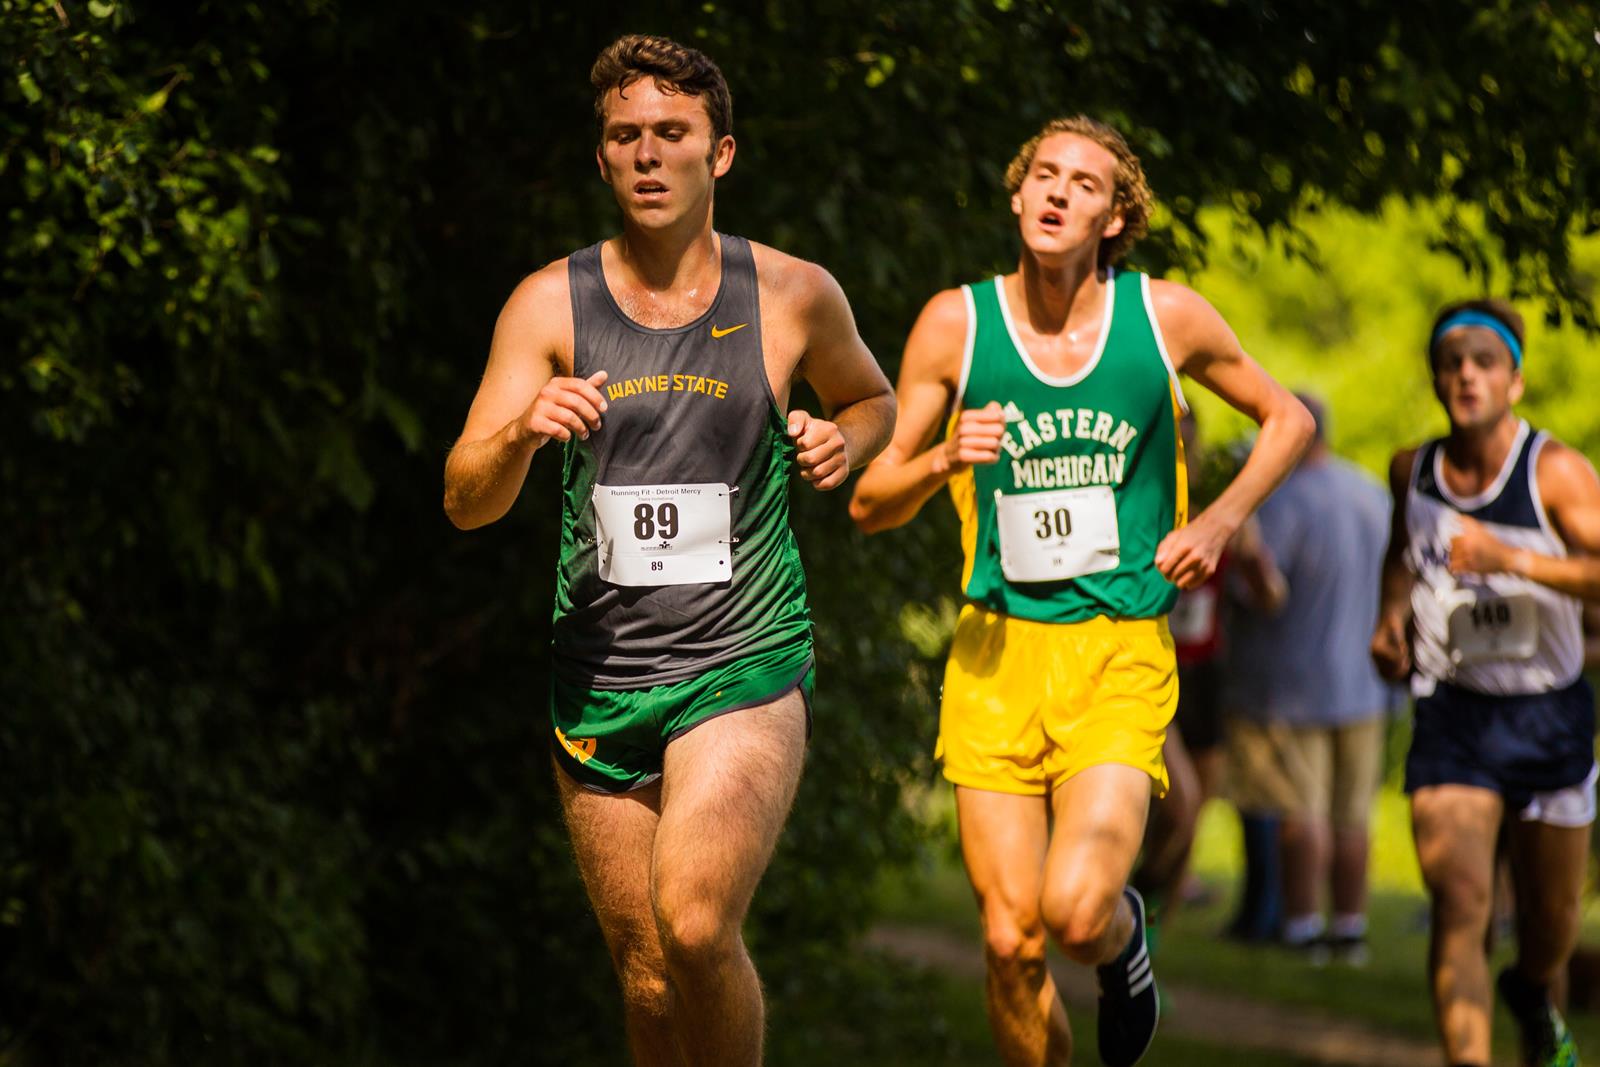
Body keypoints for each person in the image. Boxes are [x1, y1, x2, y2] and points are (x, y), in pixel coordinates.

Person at [442, 35, 895, 1066]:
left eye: (671, 135)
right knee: (647, 982)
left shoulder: (790, 294)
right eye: (624, 136)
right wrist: (519, 433)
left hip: (742, 661)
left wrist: (845, 438)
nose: (647, 155)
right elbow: (465, 501)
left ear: (719, 154)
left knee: (694, 922)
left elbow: (871, 399)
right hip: (598, 677)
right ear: (601, 159)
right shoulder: (546, 303)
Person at [849, 115, 1313, 1067]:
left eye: (1085, 183)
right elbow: (869, 499)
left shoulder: (1163, 317)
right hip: (995, 654)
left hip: (1116, 652)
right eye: (1044, 177)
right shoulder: (956, 323)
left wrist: (1219, 522)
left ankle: (1121, 936)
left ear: (1115, 216)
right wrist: (943, 455)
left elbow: (1286, 418)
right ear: (1018, 198)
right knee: (1011, 939)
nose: (1059, 192)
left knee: (1072, 910)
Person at [1371, 298, 1600, 1067]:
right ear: (1437, 378)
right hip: (1452, 714)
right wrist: (1391, 618)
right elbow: (1403, 553)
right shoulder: (1413, 467)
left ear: (1515, 381)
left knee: (1549, 923)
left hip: (1549, 715)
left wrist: (1515, 560)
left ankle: (1533, 990)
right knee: (1461, 901)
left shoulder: (1556, 471)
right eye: (1451, 363)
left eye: (1483, 362)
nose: (1466, 374)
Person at [1222, 393, 1395, 963]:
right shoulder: (1372, 492)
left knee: (1304, 815)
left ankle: (1301, 927)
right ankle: (1350, 929)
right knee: (1353, 818)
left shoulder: (1283, 500)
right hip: (1365, 689)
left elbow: (1264, 593)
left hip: (1291, 691)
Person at [1134, 412, 1287, 940]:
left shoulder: (1222, 516)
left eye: (1187, 442)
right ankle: (1134, 905)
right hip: (1150, 670)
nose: (1182, 451)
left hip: (1206, 675)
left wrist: (1251, 555)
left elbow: (1272, 599)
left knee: (1191, 818)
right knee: (1181, 806)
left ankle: (1151, 945)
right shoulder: (1137, 508)